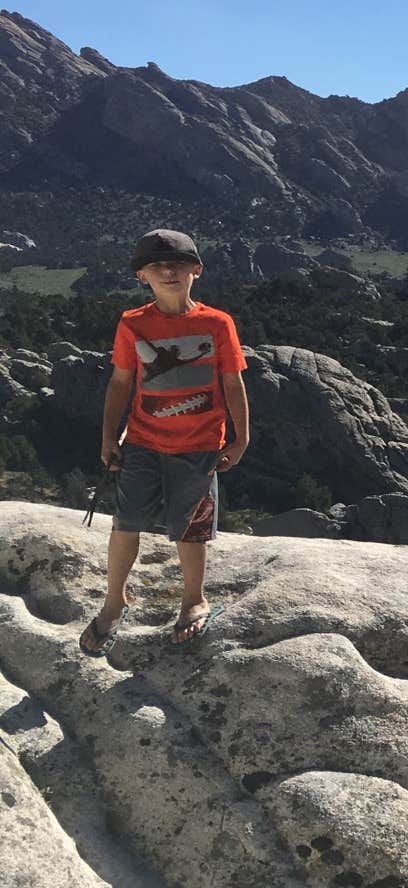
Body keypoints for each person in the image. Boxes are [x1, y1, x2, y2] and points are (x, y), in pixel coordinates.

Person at [78, 229, 250, 655]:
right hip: (142, 441)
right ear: (143, 276)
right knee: (125, 524)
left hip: (200, 446)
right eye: (157, 266)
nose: (168, 271)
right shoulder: (132, 324)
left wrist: (241, 438)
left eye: (177, 264)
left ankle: (194, 600)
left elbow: (233, 382)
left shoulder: (216, 324)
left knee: (190, 529)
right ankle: (115, 600)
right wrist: (108, 437)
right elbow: (120, 383)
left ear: (197, 270)